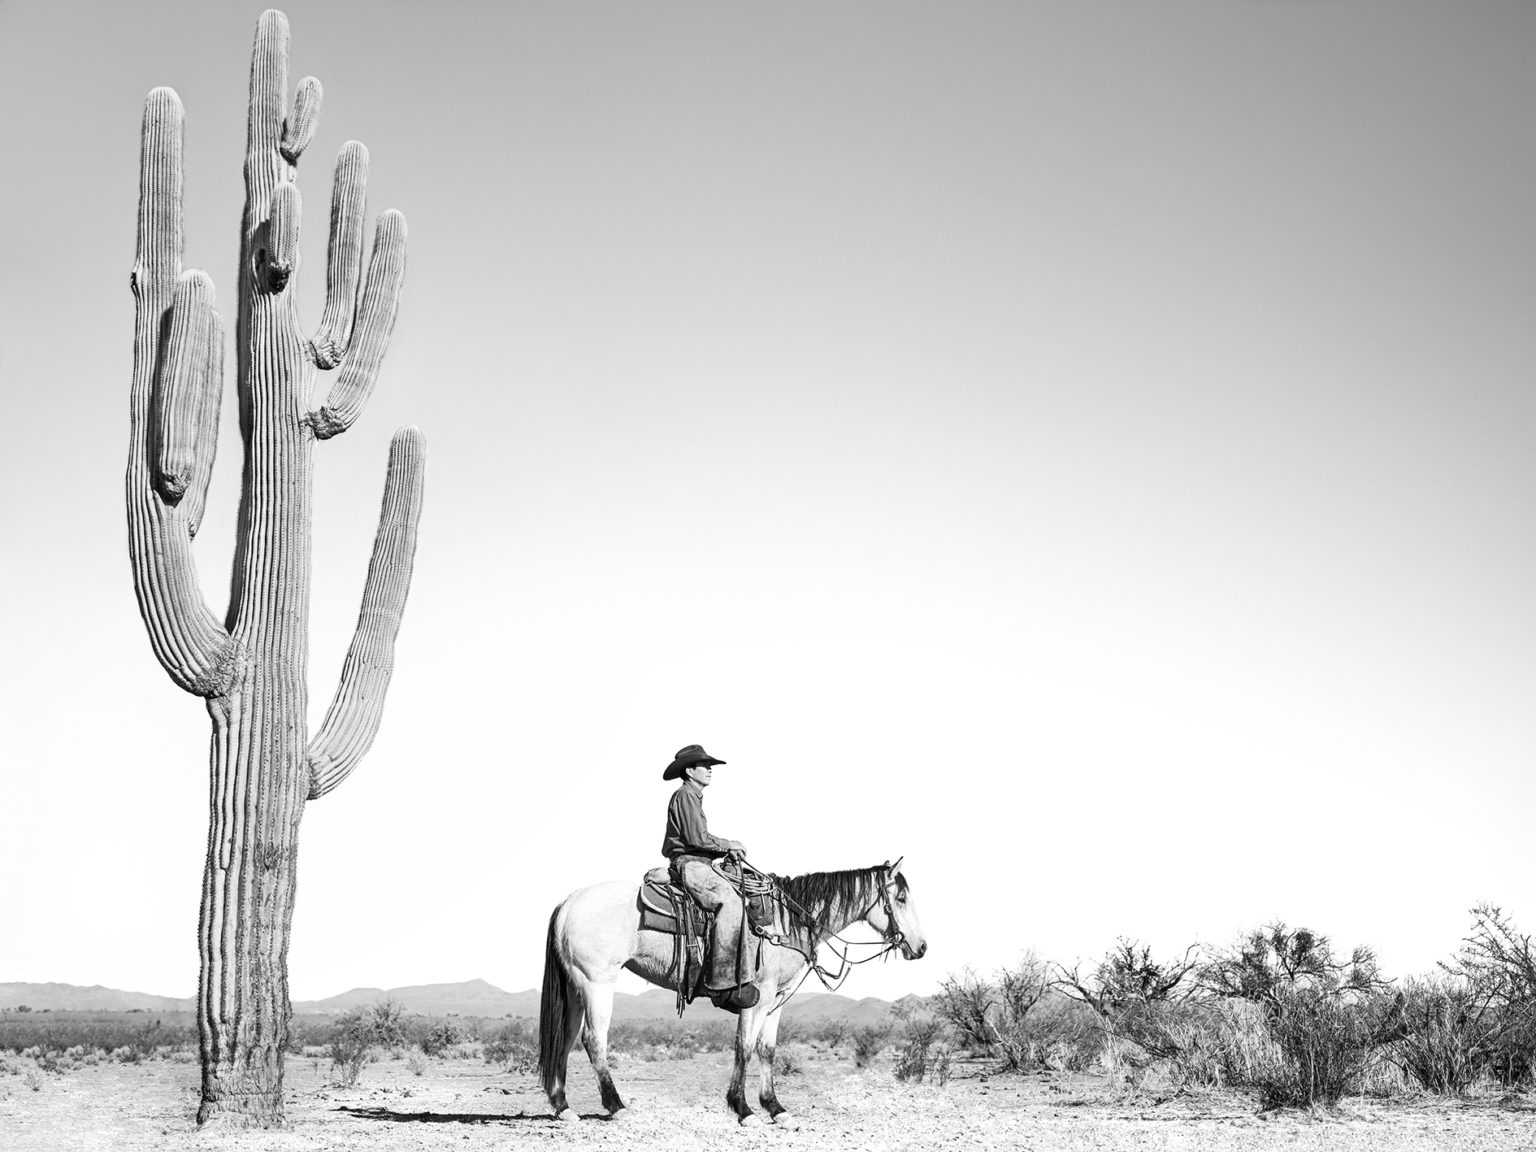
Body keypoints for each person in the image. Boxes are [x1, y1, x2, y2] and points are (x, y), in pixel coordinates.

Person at [661, 744, 759, 1010]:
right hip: (691, 865)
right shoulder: (685, 795)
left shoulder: (692, 796)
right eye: (705, 766)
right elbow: (696, 839)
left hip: (701, 862)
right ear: (690, 771)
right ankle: (723, 983)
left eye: (710, 766)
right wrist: (729, 844)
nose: (710, 771)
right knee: (730, 903)